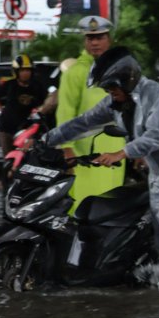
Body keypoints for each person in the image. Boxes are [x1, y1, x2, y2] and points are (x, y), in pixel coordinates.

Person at [42, 47, 159, 274]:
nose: (109, 92)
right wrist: (46, 140)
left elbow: (158, 135)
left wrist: (122, 153)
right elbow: (83, 123)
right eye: (106, 88)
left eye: (112, 87)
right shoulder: (115, 102)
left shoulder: (157, 95)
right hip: (158, 168)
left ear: (128, 80)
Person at [55, 15, 126, 211]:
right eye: (90, 38)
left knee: (109, 207)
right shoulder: (76, 72)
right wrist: (67, 147)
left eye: (100, 37)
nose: (95, 43)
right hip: (84, 153)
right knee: (82, 205)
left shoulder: (120, 70)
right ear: (85, 41)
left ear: (109, 39)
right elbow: (66, 111)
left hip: (115, 150)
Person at [0, 54, 47, 155]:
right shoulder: (10, 84)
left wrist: (39, 110)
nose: (25, 73)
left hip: (27, 129)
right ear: (16, 72)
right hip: (6, 128)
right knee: (9, 158)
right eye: (22, 70)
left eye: (28, 70)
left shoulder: (37, 86)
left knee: (26, 157)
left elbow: (46, 102)